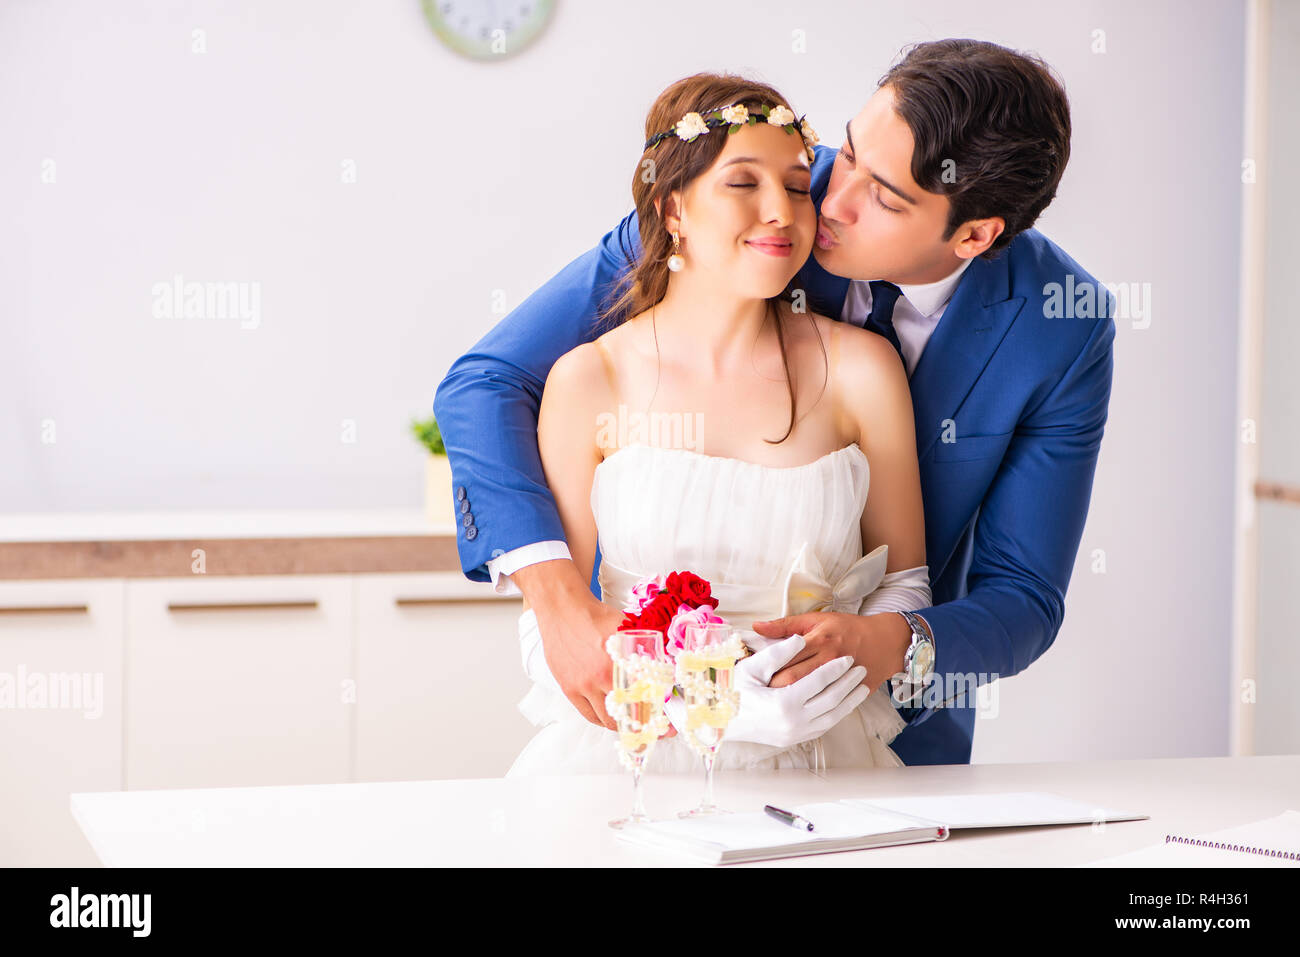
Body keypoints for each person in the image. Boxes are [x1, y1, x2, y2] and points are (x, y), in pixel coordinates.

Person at [434, 39, 1116, 767]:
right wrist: (563, 608)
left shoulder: (1059, 325)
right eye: (850, 151)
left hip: (877, 735)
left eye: (884, 196)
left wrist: (882, 647)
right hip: (640, 733)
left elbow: (1023, 596)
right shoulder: (756, 193)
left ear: (975, 235)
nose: (829, 201)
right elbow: (485, 384)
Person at [500, 73, 932, 774]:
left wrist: (834, 667)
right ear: (674, 209)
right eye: (743, 183)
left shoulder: (864, 370)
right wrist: (706, 706)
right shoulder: (589, 379)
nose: (782, 211)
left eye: (797, 186)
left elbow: (908, 584)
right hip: (629, 761)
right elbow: (551, 630)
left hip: (821, 755)